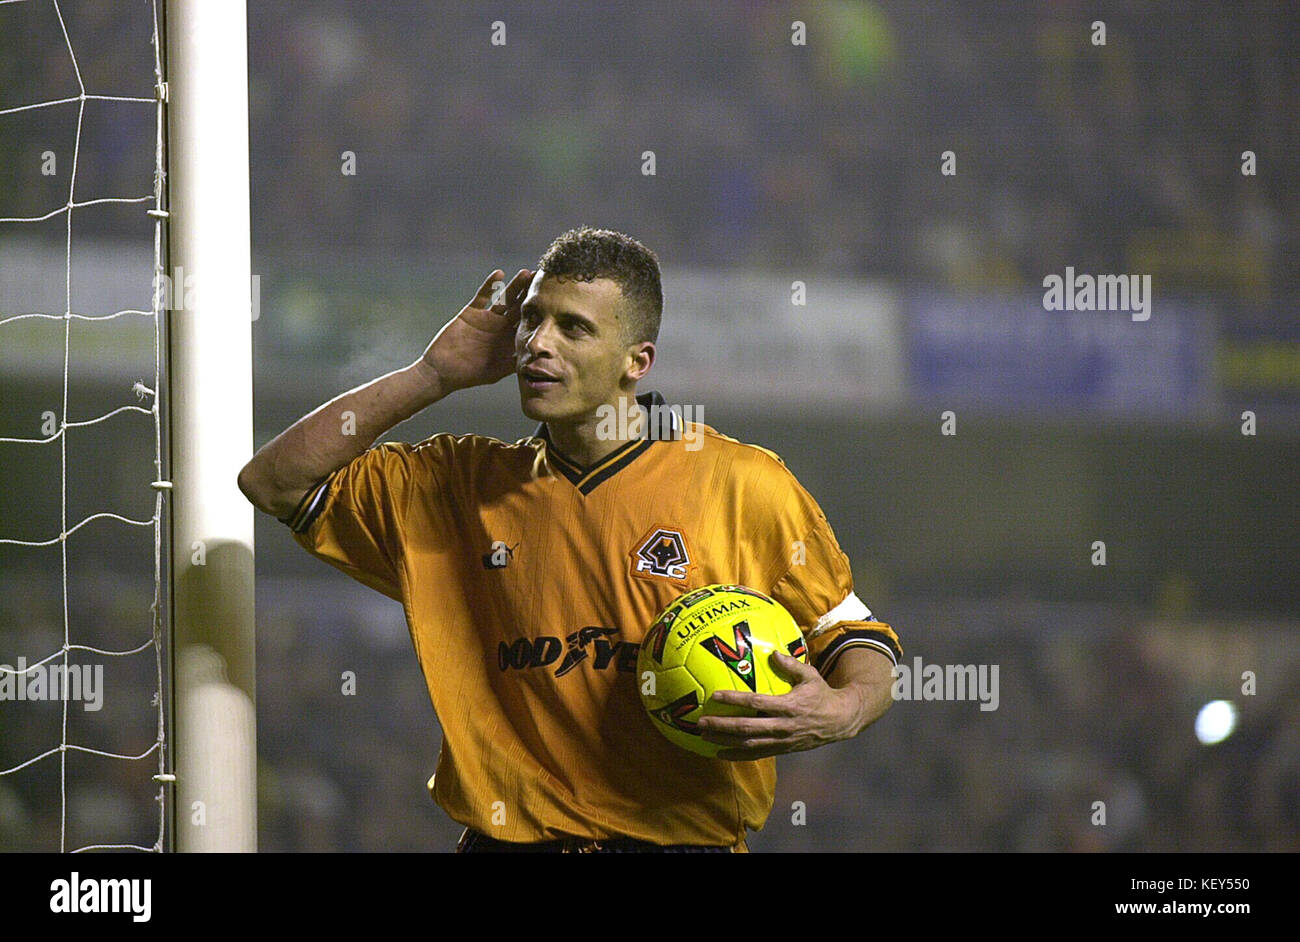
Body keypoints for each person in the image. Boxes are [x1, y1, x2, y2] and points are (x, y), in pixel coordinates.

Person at [237, 226, 903, 852]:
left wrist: (841, 710)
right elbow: (275, 481)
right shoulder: (456, 487)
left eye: (573, 328)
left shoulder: (741, 484)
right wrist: (431, 377)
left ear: (636, 360)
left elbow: (855, 639)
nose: (537, 344)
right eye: (532, 318)